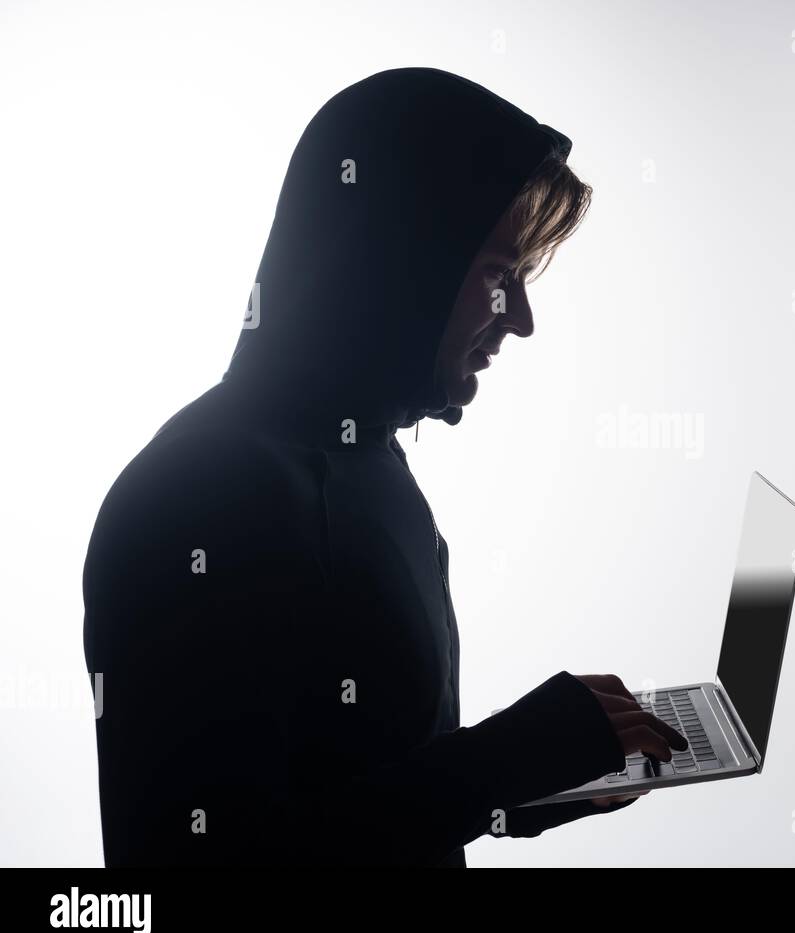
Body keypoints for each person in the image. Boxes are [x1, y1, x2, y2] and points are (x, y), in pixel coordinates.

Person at [81, 67, 687, 866]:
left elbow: (358, 779)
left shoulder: (368, 462)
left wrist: (535, 778)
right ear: (402, 262)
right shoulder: (200, 491)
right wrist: (505, 759)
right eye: (500, 277)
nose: (524, 321)